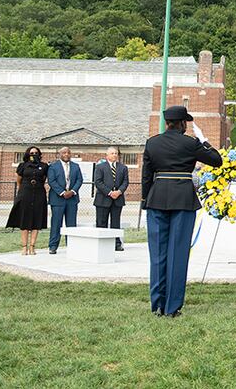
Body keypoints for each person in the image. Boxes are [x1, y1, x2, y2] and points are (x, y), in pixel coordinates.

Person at [142, 105, 222, 317]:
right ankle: (172, 306)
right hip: (183, 200)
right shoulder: (190, 143)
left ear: (167, 123)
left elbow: (146, 176)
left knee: (158, 254)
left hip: (157, 198)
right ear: (182, 124)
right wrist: (204, 140)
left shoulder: (152, 143)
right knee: (177, 254)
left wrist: (145, 200)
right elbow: (216, 160)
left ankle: (157, 304)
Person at [6, 146, 48, 255]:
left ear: (39, 154)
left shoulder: (44, 166)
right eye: (31, 152)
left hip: (39, 194)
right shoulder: (22, 166)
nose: (34, 154)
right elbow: (19, 180)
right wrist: (23, 190)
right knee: (24, 220)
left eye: (36, 152)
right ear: (27, 154)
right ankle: (24, 247)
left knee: (36, 220)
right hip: (25, 193)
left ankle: (32, 246)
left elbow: (43, 179)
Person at [46, 147, 83, 254]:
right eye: (64, 152)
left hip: (72, 199)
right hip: (58, 199)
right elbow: (51, 181)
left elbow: (79, 180)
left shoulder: (76, 166)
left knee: (71, 224)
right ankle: (53, 246)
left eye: (68, 152)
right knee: (56, 223)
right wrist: (62, 192)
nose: (66, 154)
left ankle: (71, 246)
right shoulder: (53, 166)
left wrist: (72, 191)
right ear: (59, 154)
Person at [94, 146, 129, 251]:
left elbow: (125, 182)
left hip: (117, 199)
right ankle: (102, 243)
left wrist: (119, 192)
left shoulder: (123, 168)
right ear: (107, 155)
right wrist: (109, 192)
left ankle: (116, 243)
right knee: (101, 222)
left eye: (116, 153)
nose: (114, 155)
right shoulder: (100, 167)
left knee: (116, 223)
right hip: (103, 199)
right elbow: (98, 182)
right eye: (112, 153)